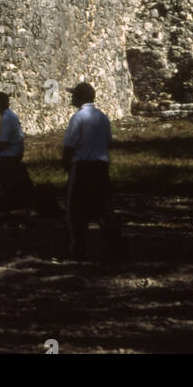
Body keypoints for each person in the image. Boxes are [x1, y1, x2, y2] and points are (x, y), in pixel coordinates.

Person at [62, 81, 127, 262]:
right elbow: (109, 142)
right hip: (101, 167)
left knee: (75, 210)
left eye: (74, 94)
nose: (71, 97)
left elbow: (69, 146)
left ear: (81, 97)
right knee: (103, 209)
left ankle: (78, 248)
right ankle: (116, 248)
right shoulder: (102, 117)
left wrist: (66, 165)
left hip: (82, 167)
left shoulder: (78, 117)